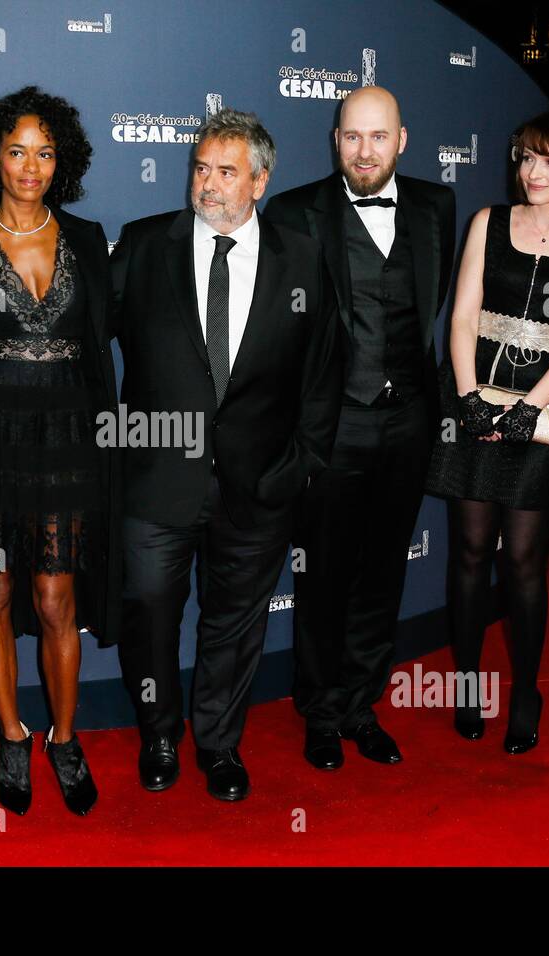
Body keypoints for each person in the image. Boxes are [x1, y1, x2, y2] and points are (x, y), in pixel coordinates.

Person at [111, 108, 342, 801]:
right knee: (149, 611)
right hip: (155, 478)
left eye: (227, 171)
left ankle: (218, 745)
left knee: (235, 622)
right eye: (201, 168)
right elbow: (91, 349)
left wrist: (298, 462)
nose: (208, 185)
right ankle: (158, 734)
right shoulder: (146, 246)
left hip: (258, 484)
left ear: (262, 180)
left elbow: (325, 370)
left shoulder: (300, 255)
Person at [0, 87, 120, 817]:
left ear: (60, 160)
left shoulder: (91, 241)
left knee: (55, 598)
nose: (31, 166)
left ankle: (64, 738)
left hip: (69, 448)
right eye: (17, 151)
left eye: (45, 152)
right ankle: (12, 732)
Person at [264, 86, 456, 771]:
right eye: (352, 137)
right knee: (323, 576)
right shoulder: (292, 213)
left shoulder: (438, 207)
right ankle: (319, 711)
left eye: (378, 137)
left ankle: (360, 703)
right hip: (332, 428)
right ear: (334, 140)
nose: (364, 150)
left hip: (409, 423)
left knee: (382, 574)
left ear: (402, 140)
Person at [426, 110, 549, 753]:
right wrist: (469, 400)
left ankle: (527, 690)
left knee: (522, 560)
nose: (535, 172)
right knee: (468, 550)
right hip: (474, 392)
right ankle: (464, 684)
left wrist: (525, 409)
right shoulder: (489, 222)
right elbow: (461, 316)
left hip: (547, 408)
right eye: (527, 158)